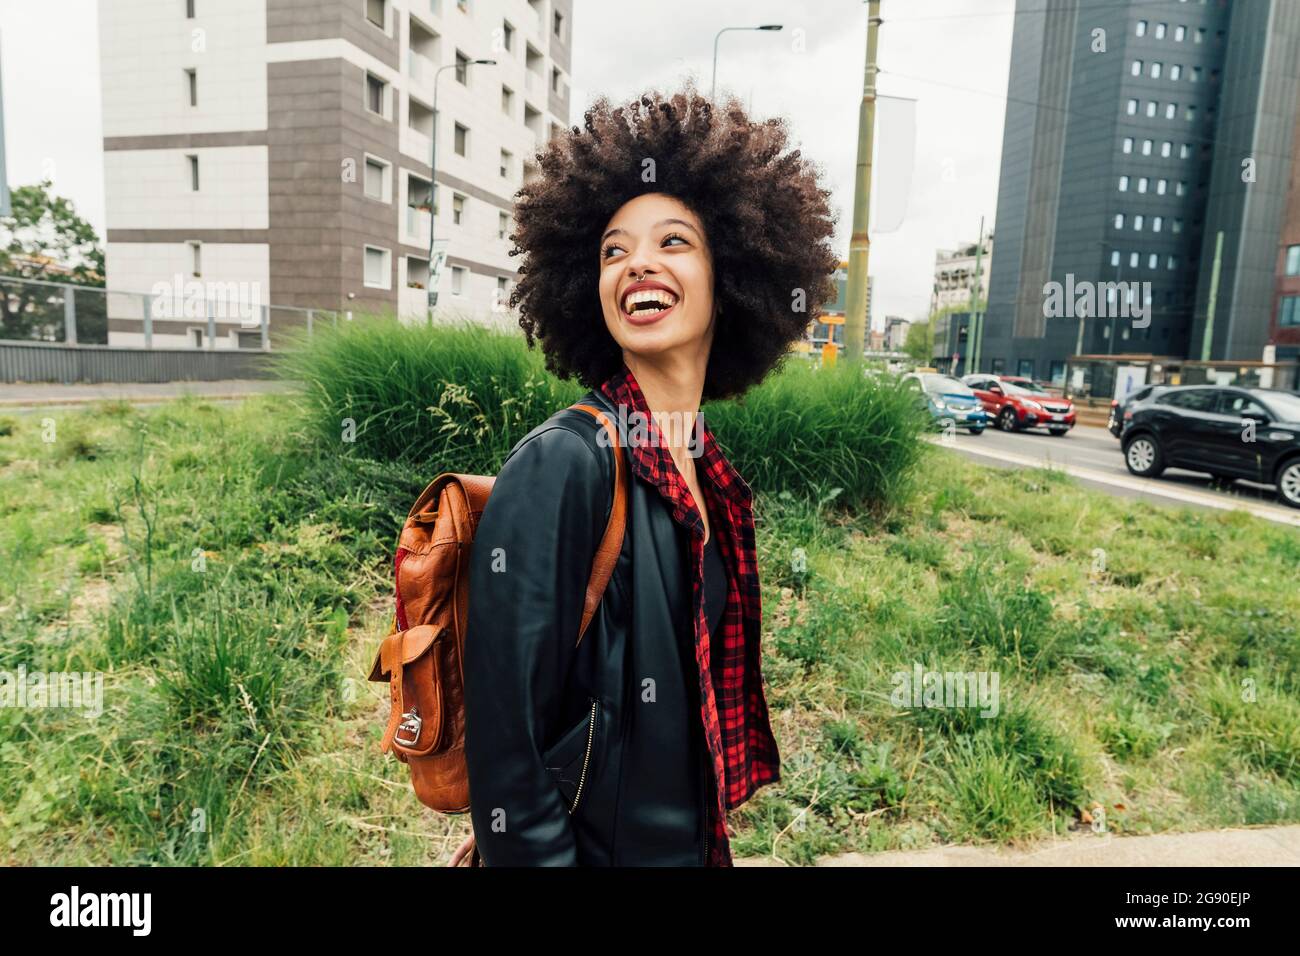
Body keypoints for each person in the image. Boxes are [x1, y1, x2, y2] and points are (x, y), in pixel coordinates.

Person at [460, 82, 837, 866]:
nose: (637, 263)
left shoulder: (705, 473)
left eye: (673, 242)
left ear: (732, 275)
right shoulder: (565, 463)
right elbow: (509, 758)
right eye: (612, 250)